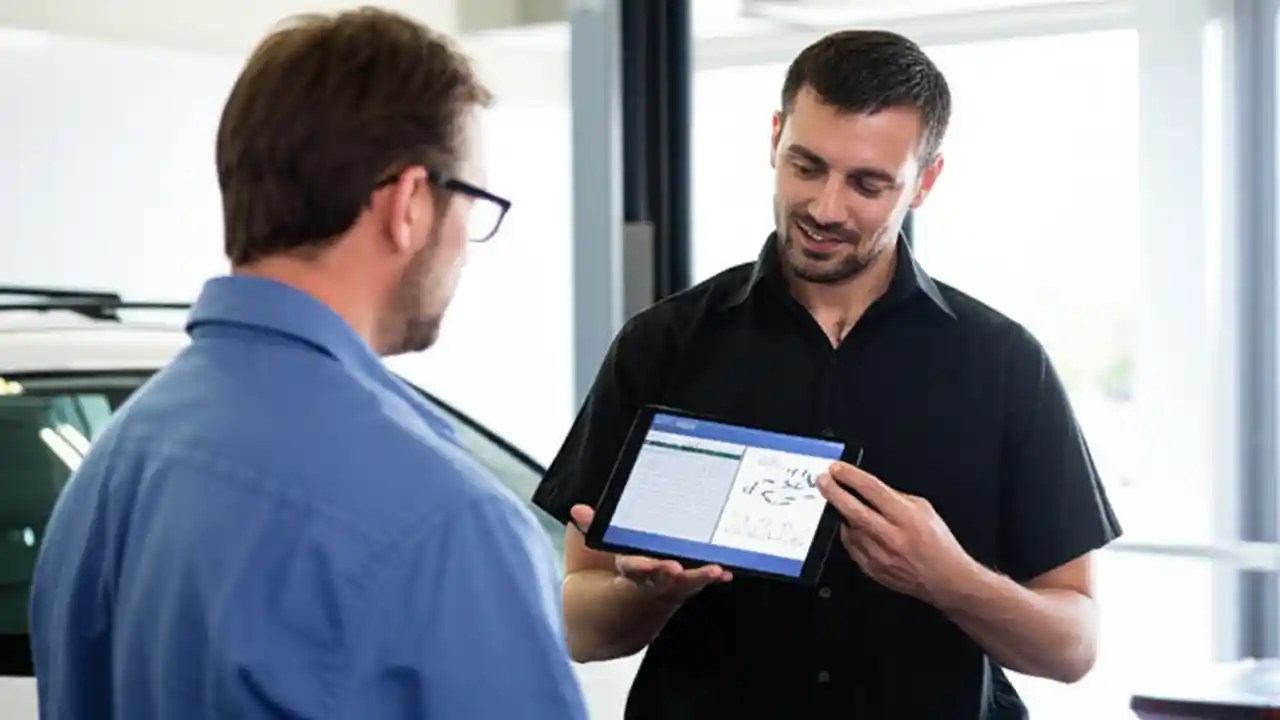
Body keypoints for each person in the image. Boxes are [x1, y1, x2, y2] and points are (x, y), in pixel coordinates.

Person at [532, 29, 1121, 719]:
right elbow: (578, 622)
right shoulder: (662, 346)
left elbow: (1074, 645)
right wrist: (649, 594)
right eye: (805, 166)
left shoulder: (1004, 364)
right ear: (775, 138)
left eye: (868, 184)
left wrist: (948, 578)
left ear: (925, 181)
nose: (825, 208)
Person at [29, 9, 586, 720]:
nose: (467, 247)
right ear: (409, 203)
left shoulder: (111, 469)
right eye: (471, 203)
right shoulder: (446, 523)